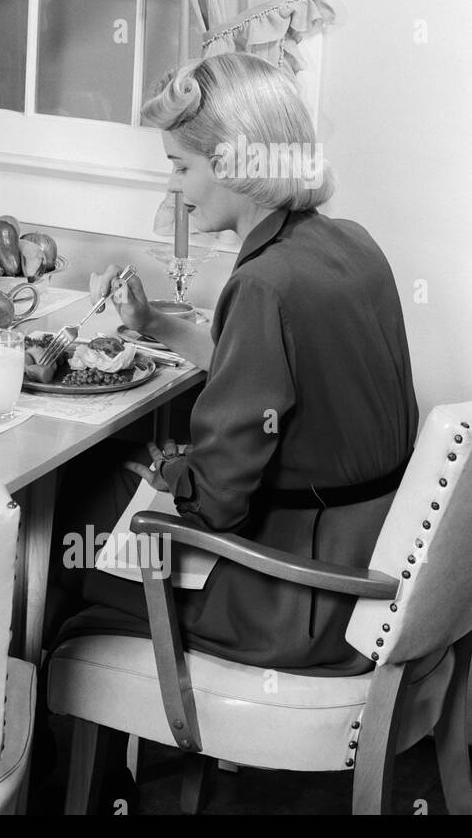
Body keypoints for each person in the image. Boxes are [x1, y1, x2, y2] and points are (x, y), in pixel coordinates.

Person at [59, 52, 418, 675]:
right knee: (113, 490)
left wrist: (167, 474)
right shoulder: (351, 244)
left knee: (64, 526)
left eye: (181, 166)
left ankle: (74, 760)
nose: (173, 187)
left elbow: (216, 505)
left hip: (298, 597)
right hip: (370, 570)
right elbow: (270, 375)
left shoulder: (263, 285)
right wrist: (153, 325)